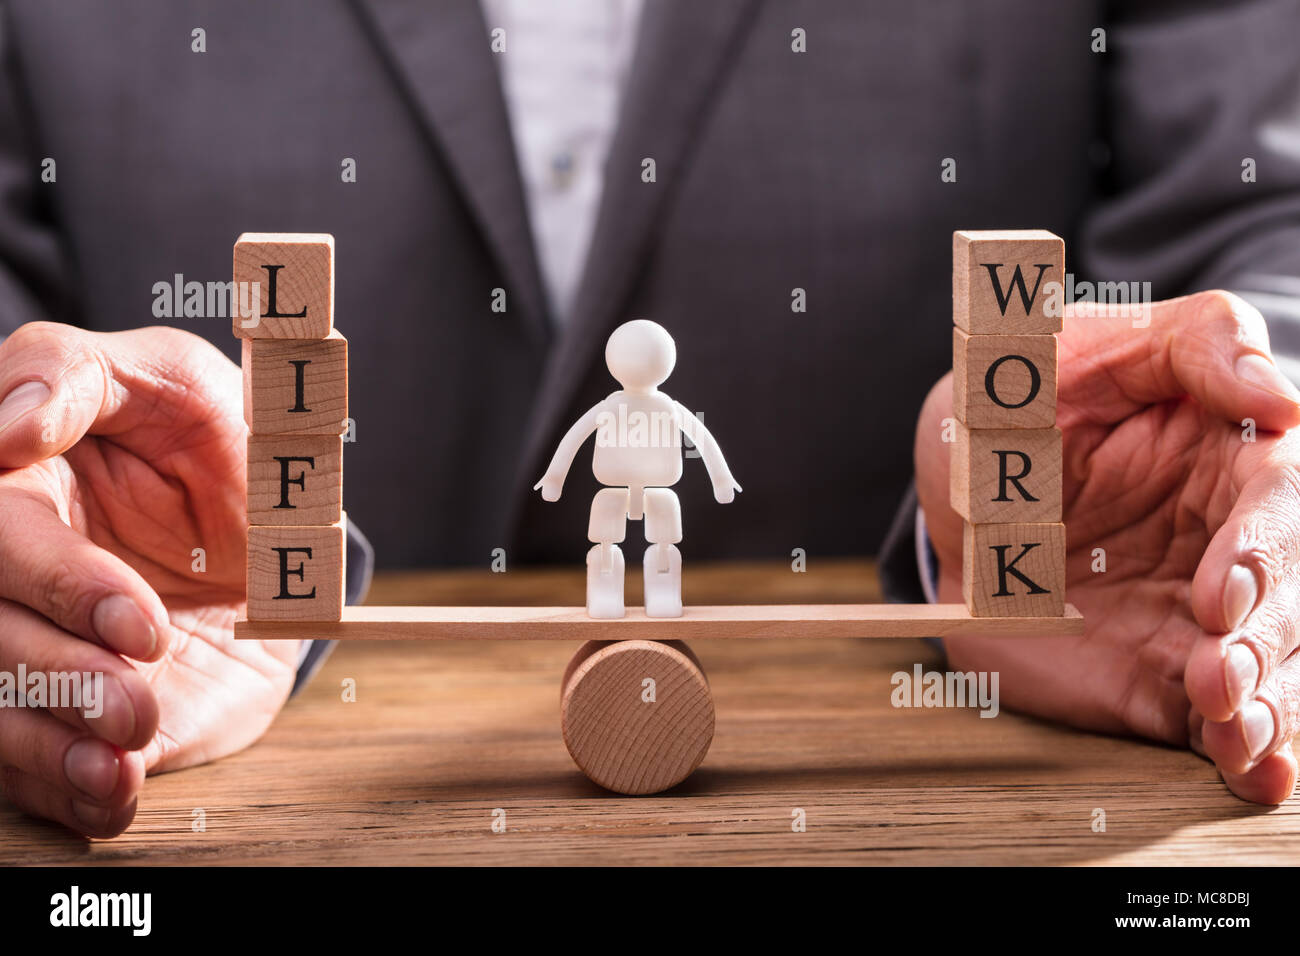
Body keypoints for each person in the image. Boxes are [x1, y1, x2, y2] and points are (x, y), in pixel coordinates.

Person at [0, 0, 1297, 837]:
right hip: (221, 685)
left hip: (987, 706)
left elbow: (1266, 211)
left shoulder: (663, 411)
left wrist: (1250, 432)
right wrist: (26, 484)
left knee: (645, 546)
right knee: (625, 540)